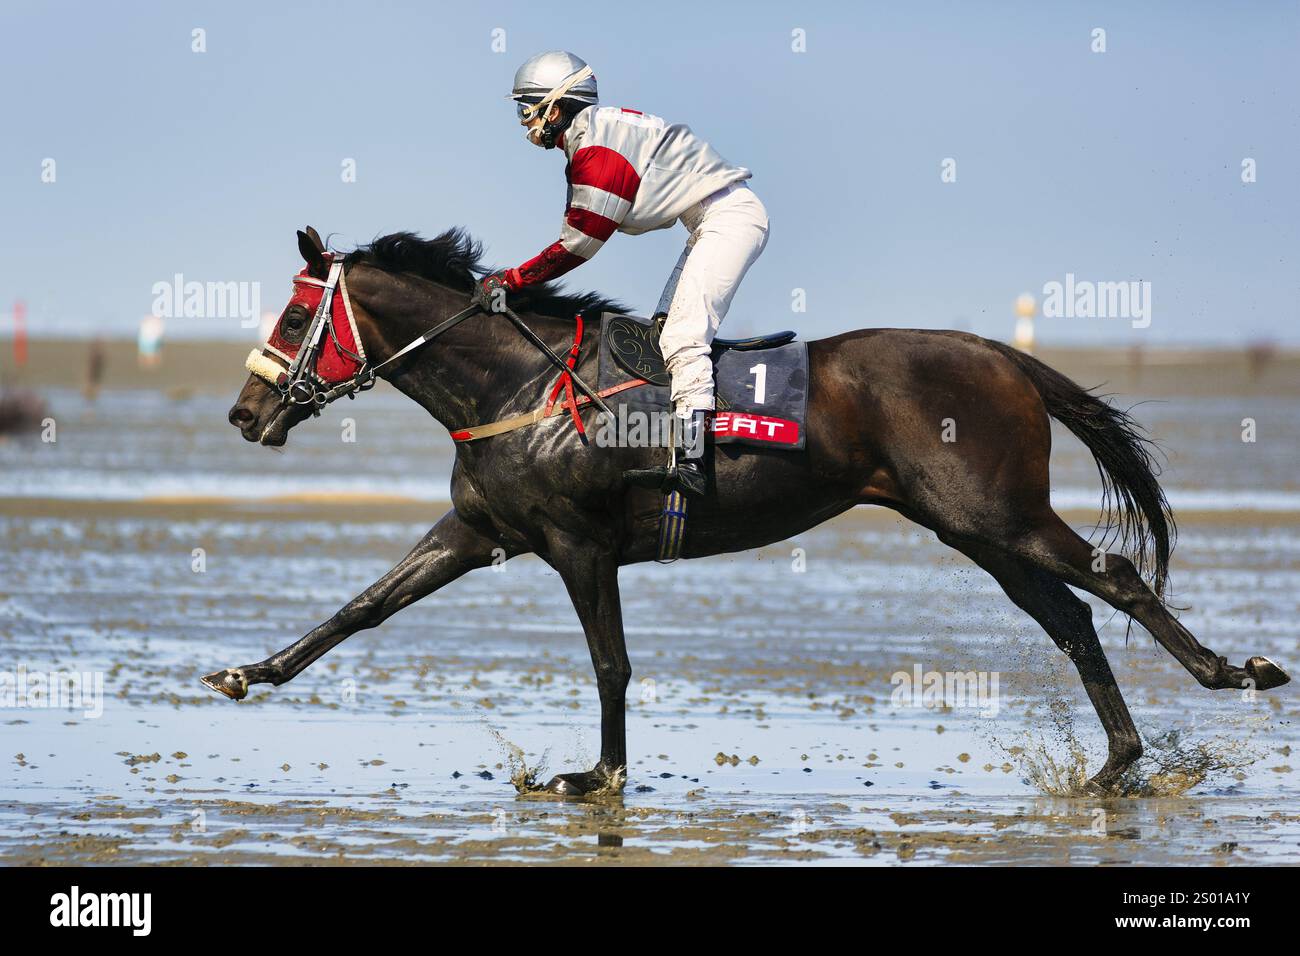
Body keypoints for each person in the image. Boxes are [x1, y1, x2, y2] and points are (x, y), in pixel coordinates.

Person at [474, 51, 769, 495]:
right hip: (713, 218)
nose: (523, 120)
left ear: (555, 106)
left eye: (527, 107)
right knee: (662, 330)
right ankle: (672, 432)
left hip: (727, 219)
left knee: (681, 340)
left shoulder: (596, 149)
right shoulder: (591, 133)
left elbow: (579, 243)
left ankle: (694, 462)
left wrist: (511, 280)